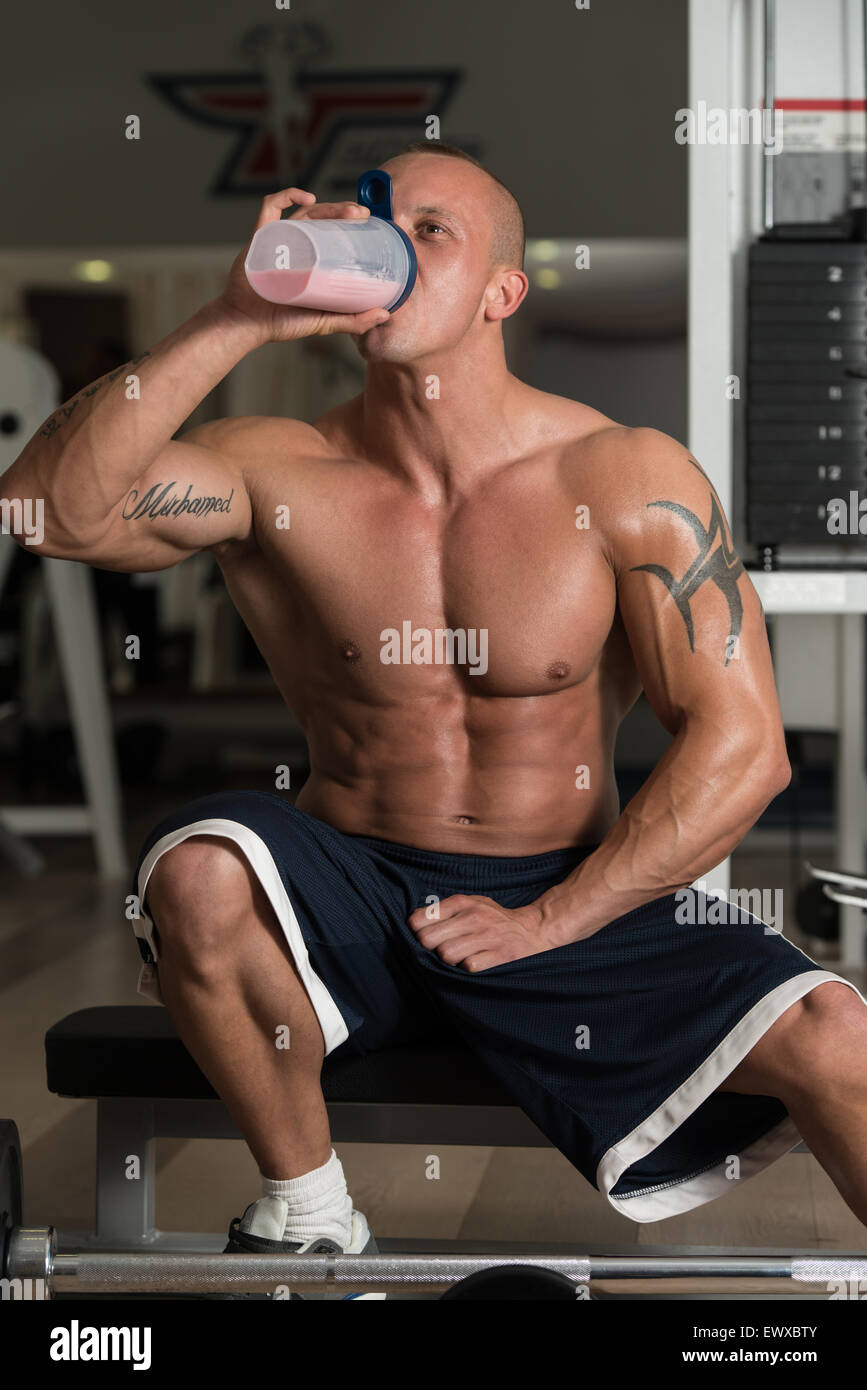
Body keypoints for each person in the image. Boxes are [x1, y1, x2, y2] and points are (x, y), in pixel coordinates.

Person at [4, 143, 867, 1300]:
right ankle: (310, 1213)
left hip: (569, 889)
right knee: (200, 870)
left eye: (430, 228)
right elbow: (48, 512)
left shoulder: (623, 474)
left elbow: (743, 747)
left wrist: (554, 918)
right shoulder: (280, 466)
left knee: (836, 1037)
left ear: (502, 292)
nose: (383, 241)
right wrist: (232, 317)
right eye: (369, 215)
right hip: (350, 881)